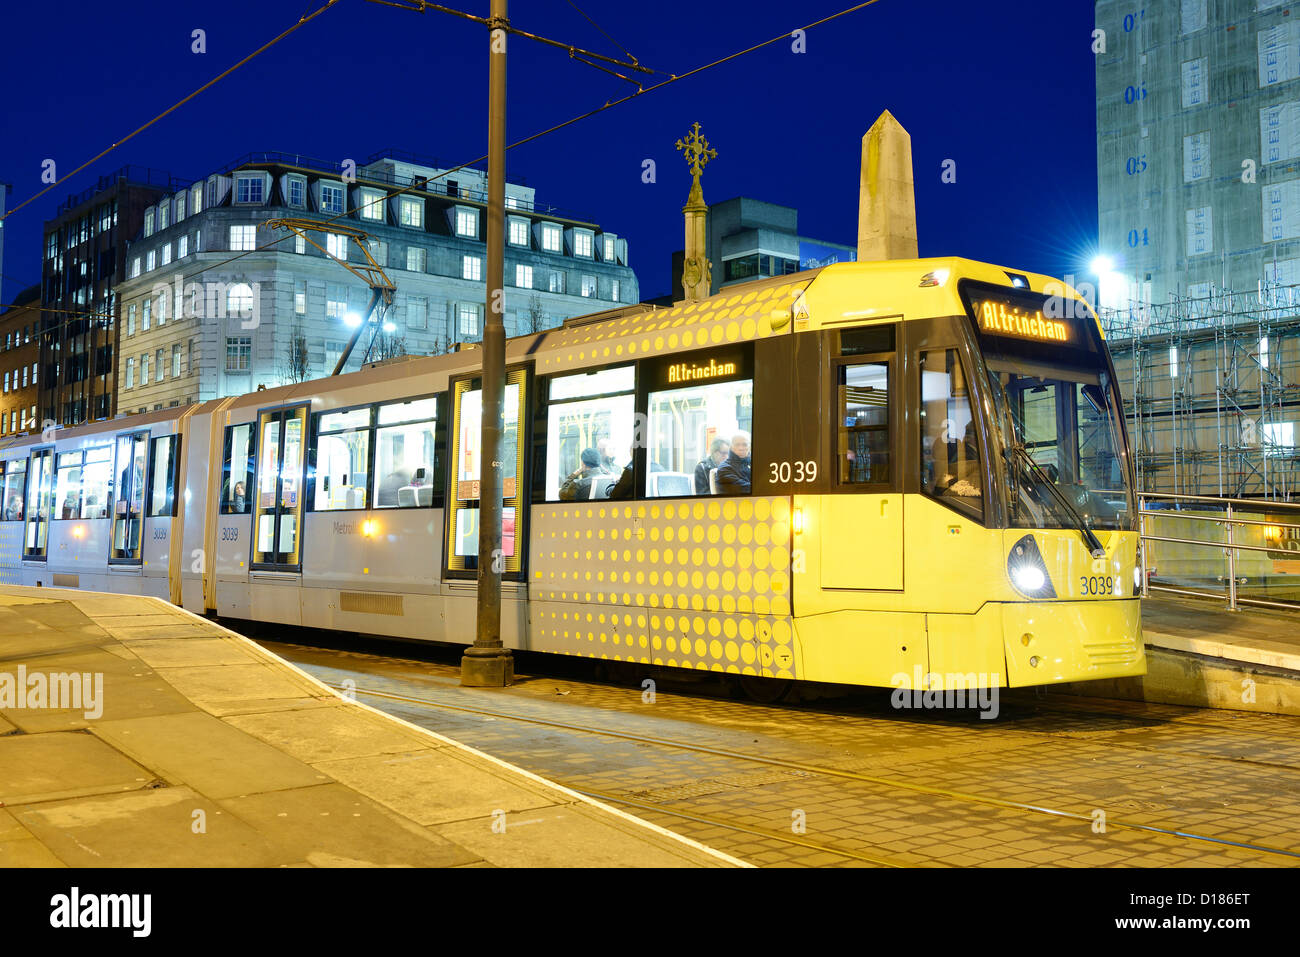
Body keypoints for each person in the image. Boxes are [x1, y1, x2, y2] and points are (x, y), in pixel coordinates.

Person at [715, 430, 752, 495]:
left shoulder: (754, 464)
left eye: (745, 444)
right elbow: (745, 489)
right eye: (737, 445)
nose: (741, 448)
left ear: (749, 446)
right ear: (731, 447)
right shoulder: (724, 469)